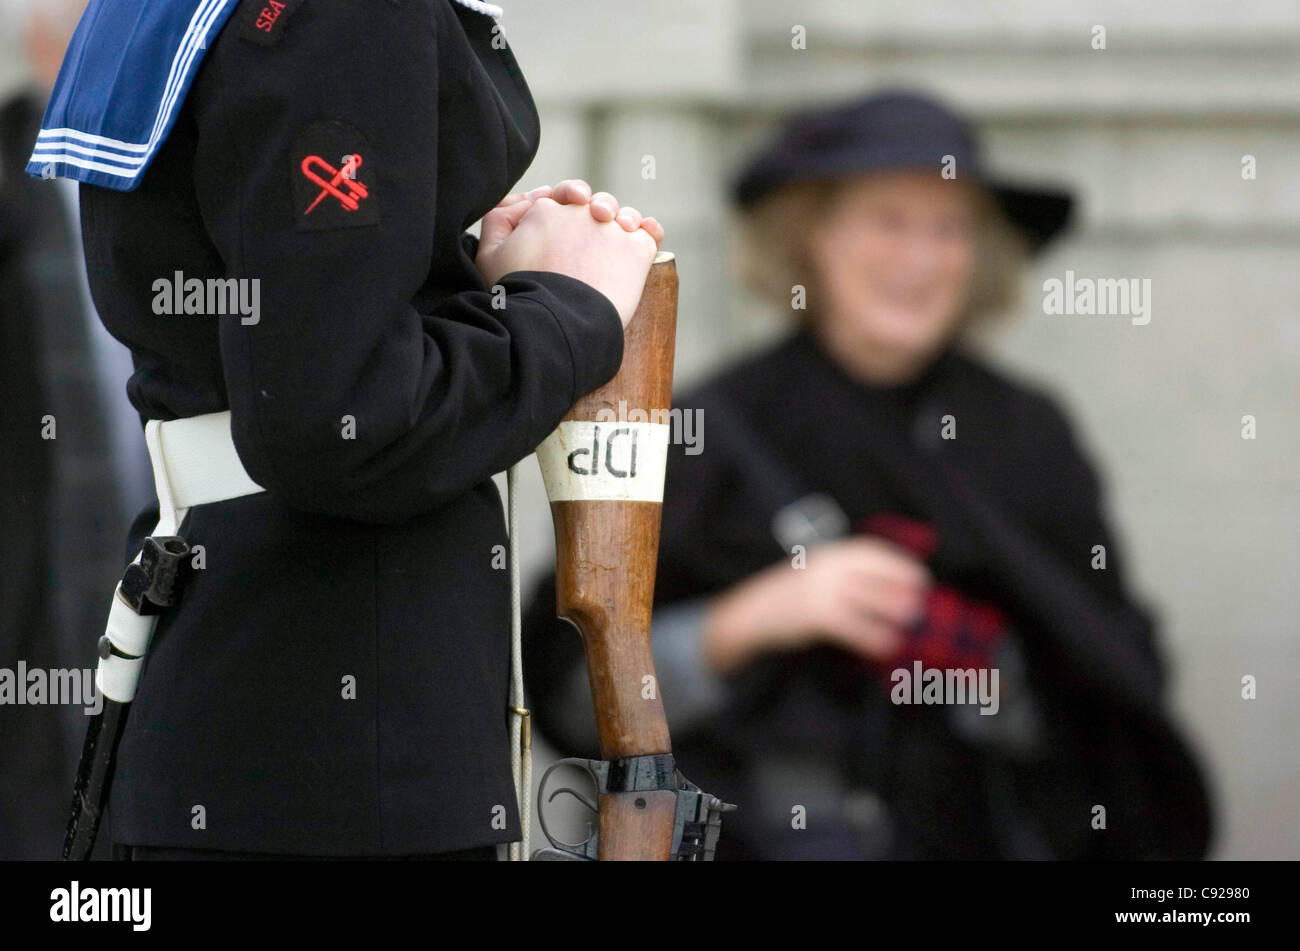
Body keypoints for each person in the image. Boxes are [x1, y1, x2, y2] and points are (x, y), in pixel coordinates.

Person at [28, 0, 660, 859]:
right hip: (344, 729)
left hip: (242, 663)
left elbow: (283, 323)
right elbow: (341, 425)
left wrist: (473, 294)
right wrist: (566, 312)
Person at [524, 90, 1213, 860]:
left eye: (949, 228)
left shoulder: (1028, 433)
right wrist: (756, 617)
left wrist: (985, 670)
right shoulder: (702, 430)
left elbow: (1116, 690)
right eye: (888, 220)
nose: (919, 259)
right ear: (808, 237)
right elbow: (575, 698)